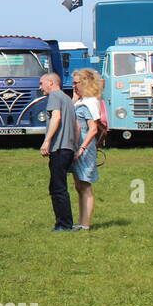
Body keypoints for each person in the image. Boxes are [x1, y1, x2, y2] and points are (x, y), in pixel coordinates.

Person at [38, 72, 80, 232]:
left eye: (42, 83)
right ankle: (65, 223)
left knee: (58, 188)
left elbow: (56, 117)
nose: (40, 87)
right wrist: (75, 146)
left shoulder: (55, 96)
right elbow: (77, 126)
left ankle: (64, 224)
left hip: (59, 148)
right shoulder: (68, 100)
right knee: (57, 186)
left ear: (50, 83)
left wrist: (47, 141)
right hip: (68, 148)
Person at [70, 68, 104, 230]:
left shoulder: (90, 102)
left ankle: (86, 224)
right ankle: (81, 221)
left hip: (84, 147)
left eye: (76, 83)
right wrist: (75, 98)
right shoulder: (80, 100)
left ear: (85, 82)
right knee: (78, 186)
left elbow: (93, 129)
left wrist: (82, 149)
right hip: (77, 145)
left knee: (85, 185)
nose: (73, 85)